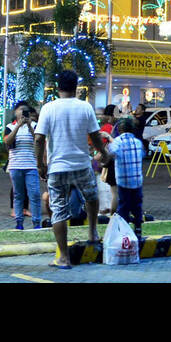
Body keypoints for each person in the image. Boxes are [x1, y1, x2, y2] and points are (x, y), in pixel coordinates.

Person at [35, 70, 110, 269]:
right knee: (92, 196)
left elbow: (39, 138)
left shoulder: (48, 108)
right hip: (81, 164)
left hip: (57, 167)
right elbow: (95, 135)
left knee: (58, 210)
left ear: (57, 87)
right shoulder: (85, 107)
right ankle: (93, 232)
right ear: (76, 86)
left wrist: (40, 164)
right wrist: (103, 152)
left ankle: (64, 258)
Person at [4, 103, 41, 229]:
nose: (23, 112)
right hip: (15, 165)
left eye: (25, 110)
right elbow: (7, 142)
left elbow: (38, 140)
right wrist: (18, 127)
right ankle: (19, 222)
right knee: (18, 194)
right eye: (21, 110)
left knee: (35, 194)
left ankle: (37, 223)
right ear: (15, 112)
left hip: (31, 165)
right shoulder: (10, 127)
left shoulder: (35, 125)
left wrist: (29, 125)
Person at [109, 116, 146, 239]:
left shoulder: (117, 142)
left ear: (119, 129)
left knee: (124, 206)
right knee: (137, 206)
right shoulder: (138, 142)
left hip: (123, 181)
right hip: (137, 180)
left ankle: (124, 233)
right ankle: (138, 230)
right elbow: (142, 155)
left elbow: (111, 154)